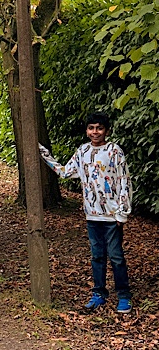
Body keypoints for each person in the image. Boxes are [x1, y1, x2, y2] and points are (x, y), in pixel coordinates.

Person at [38, 111, 132, 314]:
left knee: (116, 256)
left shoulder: (115, 151)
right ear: (87, 130)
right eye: (91, 128)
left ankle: (123, 295)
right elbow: (65, 172)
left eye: (99, 128)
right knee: (97, 256)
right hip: (92, 215)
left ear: (106, 130)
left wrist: (122, 212)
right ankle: (99, 293)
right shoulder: (82, 152)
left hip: (112, 215)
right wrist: (43, 154)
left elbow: (124, 181)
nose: (95, 132)